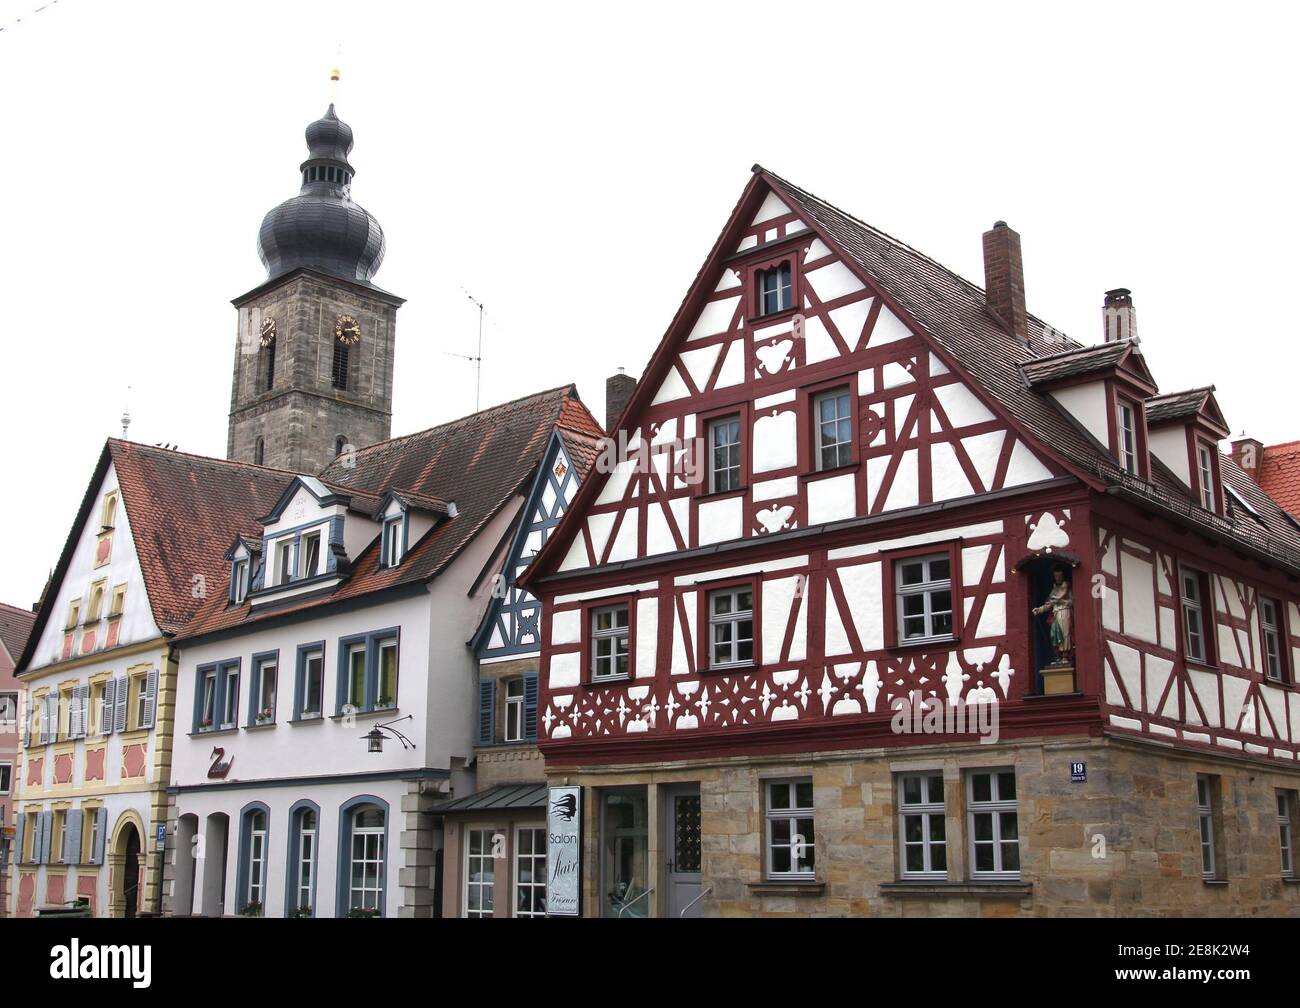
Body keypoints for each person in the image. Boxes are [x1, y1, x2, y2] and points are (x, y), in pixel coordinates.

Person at [1033, 566, 1073, 665]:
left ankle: (1065, 655)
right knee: (1054, 634)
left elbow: (1072, 601)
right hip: (1055, 613)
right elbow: (1049, 604)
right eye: (1056, 576)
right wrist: (1039, 610)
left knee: (1064, 633)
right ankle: (1057, 656)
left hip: (1064, 611)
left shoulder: (1066, 587)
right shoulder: (1055, 589)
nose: (1057, 578)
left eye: (1059, 576)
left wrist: (1062, 601)